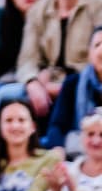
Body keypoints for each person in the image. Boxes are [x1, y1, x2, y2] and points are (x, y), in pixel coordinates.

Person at [1, 0, 102, 124]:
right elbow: (27, 59)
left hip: (87, 79)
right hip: (45, 82)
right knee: (3, 95)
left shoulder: (98, 5)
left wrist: (62, 86)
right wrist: (33, 83)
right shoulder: (37, 10)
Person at [42, 25, 102, 155]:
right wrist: (58, 150)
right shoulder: (73, 83)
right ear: (89, 54)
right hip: (77, 154)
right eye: (97, 45)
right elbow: (56, 126)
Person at [40, 111, 102, 191]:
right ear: (82, 137)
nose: (96, 140)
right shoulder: (68, 170)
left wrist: (76, 190)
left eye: (101, 135)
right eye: (90, 134)